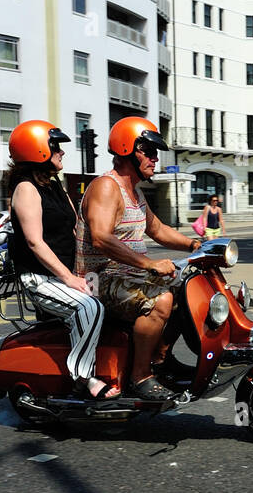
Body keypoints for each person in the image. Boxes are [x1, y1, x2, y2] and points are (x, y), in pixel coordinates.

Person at [77, 116, 202, 401]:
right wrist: (149, 264)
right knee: (161, 300)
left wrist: (195, 244)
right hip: (98, 280)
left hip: (127, 276)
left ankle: (160, 359)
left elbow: (157, 229)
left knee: (187, 290)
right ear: (126, 149)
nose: (155, 159)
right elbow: (101, 237)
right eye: (148, 151)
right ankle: (140, 377)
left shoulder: (135, 193)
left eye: (155, 153)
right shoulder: (106, 187)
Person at [5, 120, 118, 400]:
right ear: (37, 150)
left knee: (118, 299)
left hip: (65, 272)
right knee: (88, 308)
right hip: (39, 277)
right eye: (55, 147)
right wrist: (70, 279)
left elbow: (75, 231)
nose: (61, 153)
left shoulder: (56, 186)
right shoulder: (26, 189)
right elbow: (35, 242)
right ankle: (83, 377)